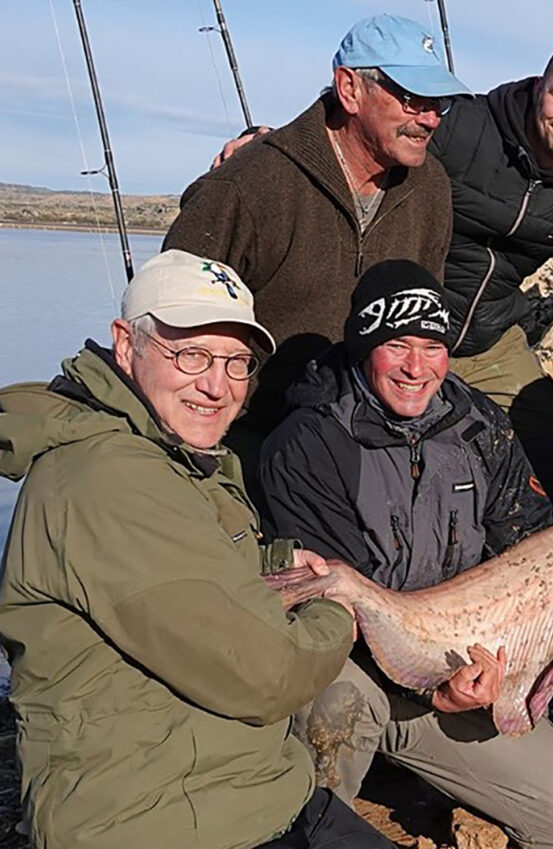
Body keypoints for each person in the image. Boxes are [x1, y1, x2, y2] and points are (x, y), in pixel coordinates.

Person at [0, 250, 391, 849]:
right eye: (192, 355)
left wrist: (271, 565)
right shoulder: (107, 480)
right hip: (162, 821)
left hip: (258, 789)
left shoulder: (171, 456)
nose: (216, 385)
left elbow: (184, 570)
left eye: (237, 362)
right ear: (126, 345)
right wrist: (337, 602)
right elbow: (270, 677)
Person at [212, 36, 553, 520]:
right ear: (539, 87)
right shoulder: (464, 126)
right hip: (400, 324)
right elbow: (369, 126)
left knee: (541, 435)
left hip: (487, 335)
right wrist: (269, 143)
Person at [258, 260, 553, 849]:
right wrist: (432, 690)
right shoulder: (307, 443)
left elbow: (532, 556)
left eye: (432, 346)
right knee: (336, 701)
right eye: (396, 346)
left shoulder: (479, 424)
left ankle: (412, 767)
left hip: (461, 663)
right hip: (359, 667)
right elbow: (334, 605)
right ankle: (301, 824)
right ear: (363, 346)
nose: (416, 367)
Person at [163, 14, 470, 485]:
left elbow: (421, 320)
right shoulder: (246, 185)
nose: (428, 118)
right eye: (411, 99)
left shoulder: (431, 188)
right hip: (247, 440)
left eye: (437, 103)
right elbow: (170, 332)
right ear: (349, 89)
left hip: (369, 439)